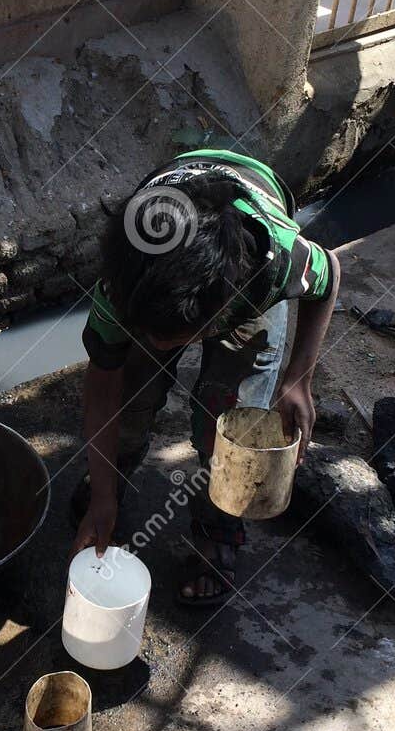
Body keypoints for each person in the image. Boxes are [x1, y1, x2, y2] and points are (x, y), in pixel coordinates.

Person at [70, 148, 341, 610]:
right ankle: (112, 480)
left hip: (249, 236)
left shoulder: (274, 266)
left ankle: (218, 527)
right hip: (173, 205)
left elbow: (330, 271)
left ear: (218, 315)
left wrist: (298, 379)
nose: (159, 346)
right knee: (134, 387)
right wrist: (101, 493)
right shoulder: (124, 281)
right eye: (148, 332)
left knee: (232, 418)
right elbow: (102, 387)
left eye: (174, 337)